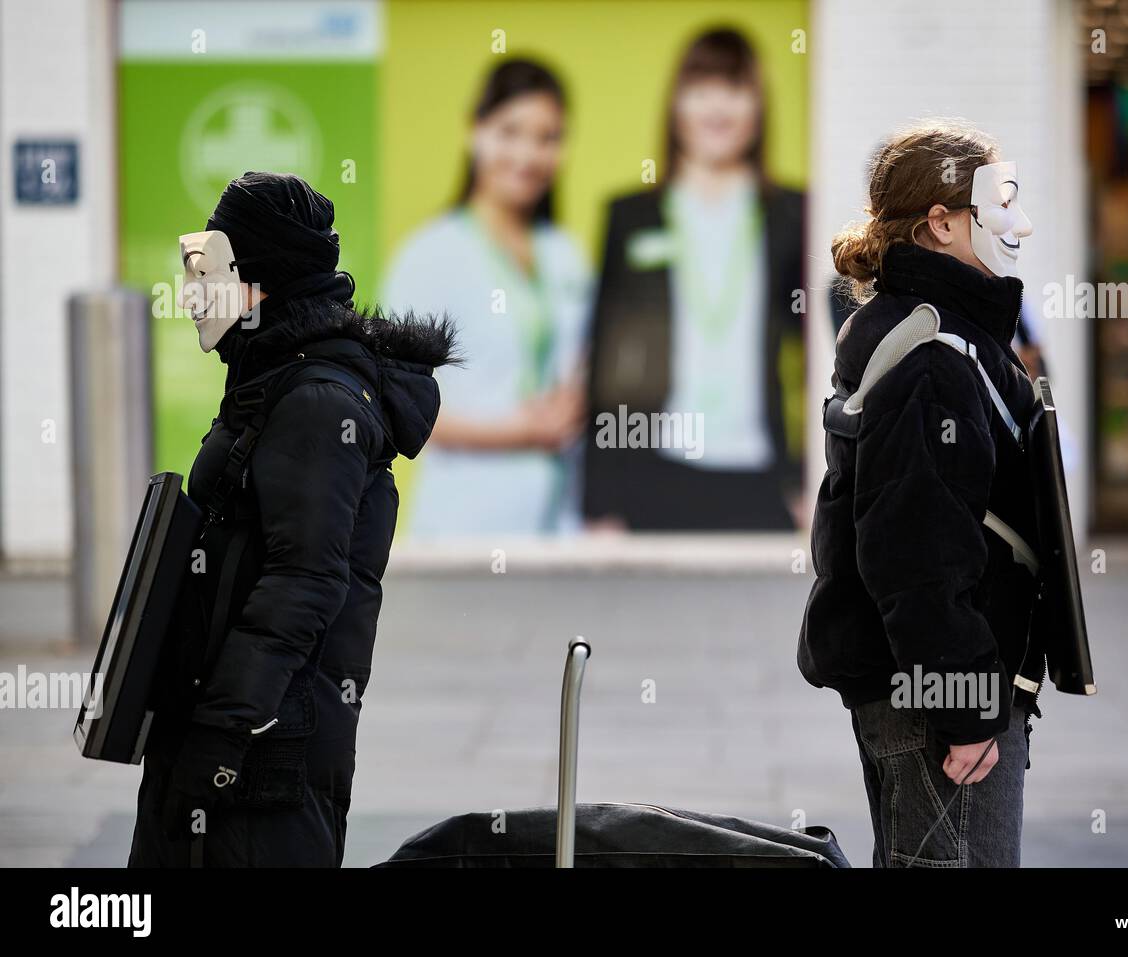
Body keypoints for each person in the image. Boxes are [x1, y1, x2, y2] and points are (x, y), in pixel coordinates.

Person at [129, 172, 455, 867]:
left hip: (267, 751)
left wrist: (221, 736)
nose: (189, 294)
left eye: (205, 269)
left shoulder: (317, 402)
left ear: (260, 281)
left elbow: (303, 581)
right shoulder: (273, 376)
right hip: (235, 723)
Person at [797, 120, 1041, 867]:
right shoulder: (932, 356)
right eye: (999, 202)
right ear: (940, 222)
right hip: (939, 699)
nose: (1019, 222)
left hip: (927, 685)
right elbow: (915, 550)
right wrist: (966, 703)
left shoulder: (929, 330)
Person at [584, 28, 805, 531]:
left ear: (758, 105)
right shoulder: (631, 216)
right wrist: (600, 503)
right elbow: (605, 359)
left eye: (735, 89)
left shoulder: (792, 213)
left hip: (763, 478)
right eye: (701, 90)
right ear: (676, 105)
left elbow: (822, 355)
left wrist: (814, 480)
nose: (718, 109)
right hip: (654, 472)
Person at [384, 59, 591, 537]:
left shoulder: (567, 255)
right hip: (466, 528)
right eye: (510, 131)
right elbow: (397, 407)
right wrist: (521, 431)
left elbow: (584, 368)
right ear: (476, 132)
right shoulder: (429, 255)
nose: (528, 153)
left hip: (564, 528)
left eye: (548, 137)